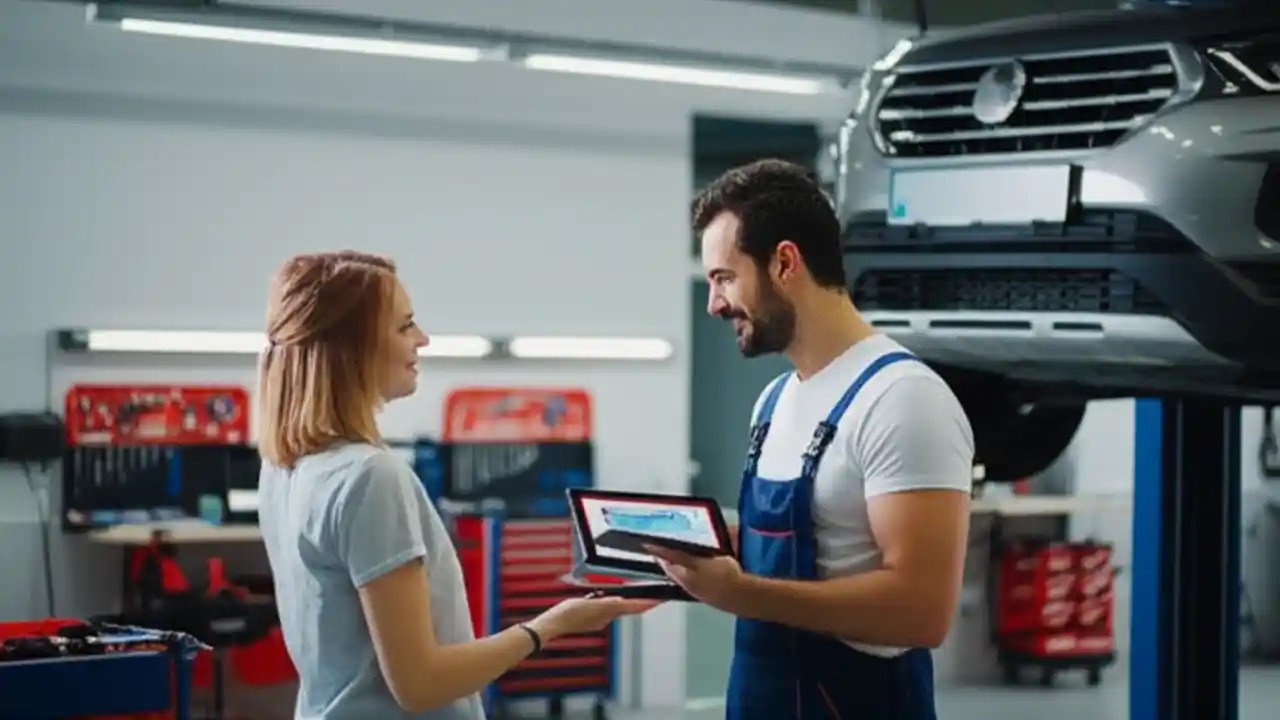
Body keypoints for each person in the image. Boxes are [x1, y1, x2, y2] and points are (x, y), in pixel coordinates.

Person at [255, 251, 658, 719]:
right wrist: (550, 626)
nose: (422, 339)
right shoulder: (369, 476)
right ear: (355, 345)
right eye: (405, 326)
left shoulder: (283, 468)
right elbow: (421, 686)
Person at [647, 160, 975, 719]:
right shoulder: (774, 401)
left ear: (784, 263)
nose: (714, 304)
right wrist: (707, 546)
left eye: (724, 278)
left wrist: (739, 593)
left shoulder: (902, 399)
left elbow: (921, 612)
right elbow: (822, 543)